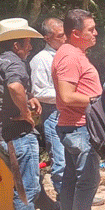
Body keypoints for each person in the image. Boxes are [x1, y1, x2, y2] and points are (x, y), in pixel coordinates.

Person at [0, 18, 59, 210]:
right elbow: (14, 87)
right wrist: (25, 112)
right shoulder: (14, 63)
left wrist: (27, 99)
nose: (30, 48)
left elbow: (7, 90)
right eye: (27, 43)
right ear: (16, 46)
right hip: (14, 133)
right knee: (26, 181)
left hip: (1, 131)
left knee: (30, 177)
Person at [51, 9, 105, 210]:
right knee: (88, 180)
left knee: (73, 180)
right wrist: (101, 101)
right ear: (75, 33)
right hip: (79, 128)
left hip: (76, 127)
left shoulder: (73, 54)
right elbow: (66, 96)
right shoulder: (70, 57)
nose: (96, 33)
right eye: (90, 30)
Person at [29, 17, 67, 196]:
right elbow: (39, 91)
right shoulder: (41, 60)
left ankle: (77, 197)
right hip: (53, 112)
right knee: (60, 160)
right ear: (47, 38)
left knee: (75, 155)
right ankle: (65, 202)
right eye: (60, 36)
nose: (65, 38)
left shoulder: (69, 54)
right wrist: (68, 94)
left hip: (70, 110)